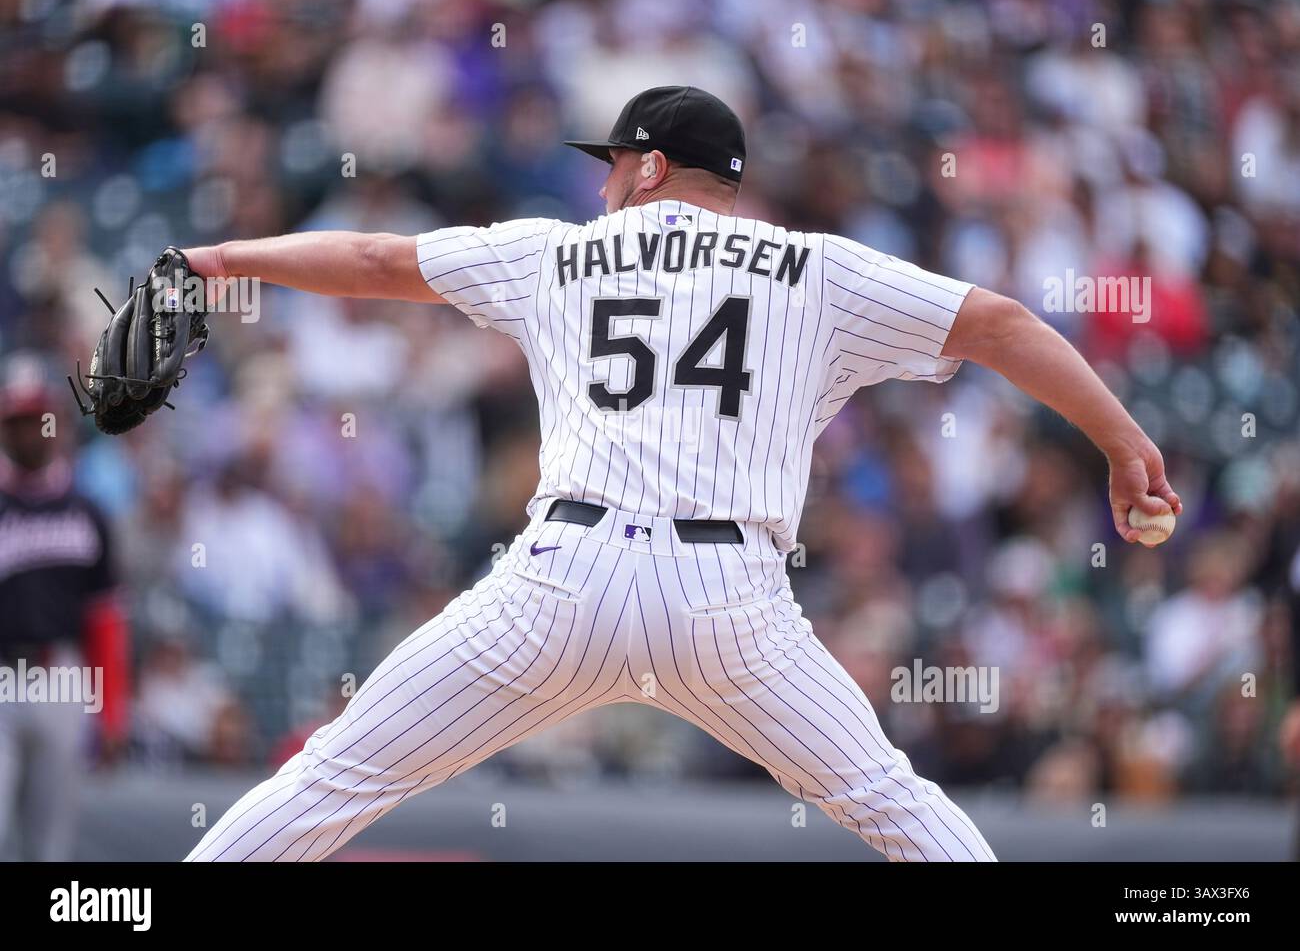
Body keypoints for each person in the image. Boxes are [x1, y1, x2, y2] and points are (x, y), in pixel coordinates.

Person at [183, 86, 1180, 862]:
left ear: (651, 165)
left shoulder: (554, 253)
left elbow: (370, 256)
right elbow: (1001, 324)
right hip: (728, 601)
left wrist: (223, 258)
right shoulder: (815, 267)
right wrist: (1123, 441)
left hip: (559, 582)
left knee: (336, 776)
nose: (604, 182)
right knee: (890, 800)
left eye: (614, 164)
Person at [0, 354, 128, 860]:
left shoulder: (87, 510)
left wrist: (112, 711)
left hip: (61, 677)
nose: (30, 431)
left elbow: (106, 620)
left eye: (37, 419)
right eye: (17, 421)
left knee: (49, 845)